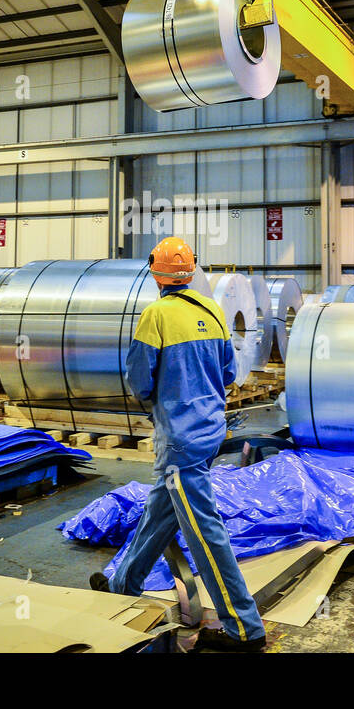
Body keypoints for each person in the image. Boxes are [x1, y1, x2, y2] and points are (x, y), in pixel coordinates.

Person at [89, 237, 266, 652]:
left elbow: (138, 379)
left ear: (156, 273)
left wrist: (163, 397)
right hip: (207, 432)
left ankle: (244, 628)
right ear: (190, 271)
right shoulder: (214, 312)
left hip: (180, 443)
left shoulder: (156, 315)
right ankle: (124, 584)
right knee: (159, 514)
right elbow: (228, 374)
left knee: (207, 534)